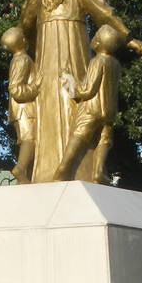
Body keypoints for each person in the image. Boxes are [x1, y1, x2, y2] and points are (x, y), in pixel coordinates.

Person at [16, 0, 142, 183]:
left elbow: (25, 25)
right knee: (75, 99)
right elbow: (104, 12)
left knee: (60, 103)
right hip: (73, 53)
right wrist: (127, 39)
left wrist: (25, 54)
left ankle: (55, 171)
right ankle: (80, 171)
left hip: (45, 59)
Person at [54, 23, 124, 182]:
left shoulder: (98, 61)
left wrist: (67, 80)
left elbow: (86, 89)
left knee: (78, 135)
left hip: (91, 108)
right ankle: (98, 172)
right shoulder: (116, 64)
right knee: (105, 140)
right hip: (109, 111)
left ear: (98, 42)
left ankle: (63, 167)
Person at [1, 27, 38, 184]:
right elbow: (15, 88)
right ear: (23, 41)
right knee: (30, 139)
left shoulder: (19, 59)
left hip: (22, 109)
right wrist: (37, 86)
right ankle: (21, 169)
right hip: (25, 108)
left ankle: (24, 175)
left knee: (27, 140)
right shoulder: (22, 59)